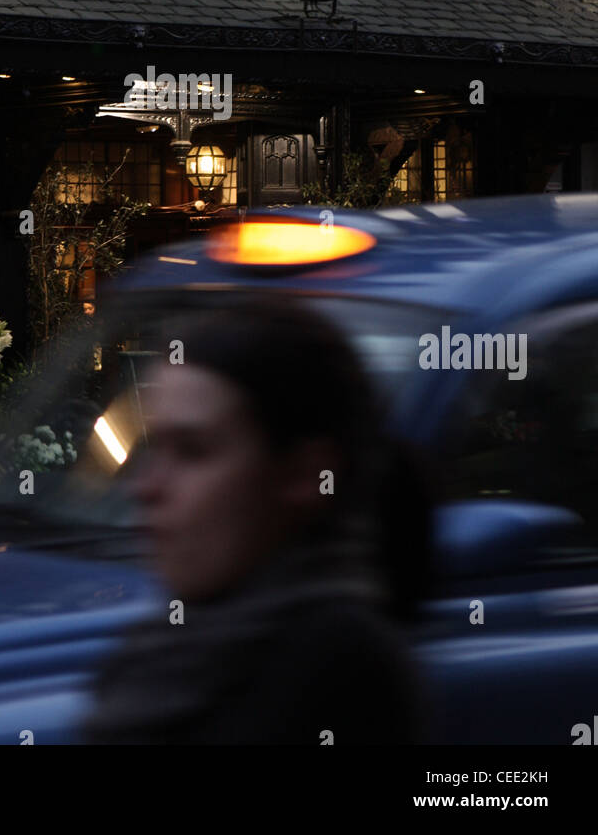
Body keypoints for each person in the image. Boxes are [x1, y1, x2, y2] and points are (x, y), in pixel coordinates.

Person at [80, 297, 425, 745]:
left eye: (193, 451)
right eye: (154, 448)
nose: (147, 487)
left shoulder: (334, 666)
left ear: (302, 475)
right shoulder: (172, 645)